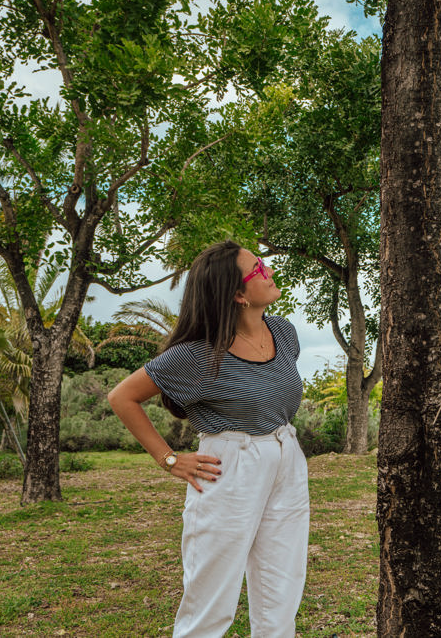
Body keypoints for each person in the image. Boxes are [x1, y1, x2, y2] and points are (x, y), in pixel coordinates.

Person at [108, 240, 310, 638]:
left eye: (262, 263)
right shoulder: (198, 356)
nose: (267, 272)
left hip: (286, 457)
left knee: (281, 587)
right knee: (212, 597)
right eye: (257, 270)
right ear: (237, 294)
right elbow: (122, 397)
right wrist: (168, 459)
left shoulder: (284, 333)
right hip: (231, 464)